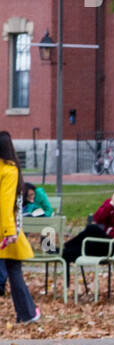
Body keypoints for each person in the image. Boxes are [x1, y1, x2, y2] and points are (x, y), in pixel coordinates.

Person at [0, 131, 38, 324]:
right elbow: (6, 202)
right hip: (4, 228)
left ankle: (27, 312)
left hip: (6, 226)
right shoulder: (9, 169)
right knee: (14, 269)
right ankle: (27, 313)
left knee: (13, 268)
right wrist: (9, 231)